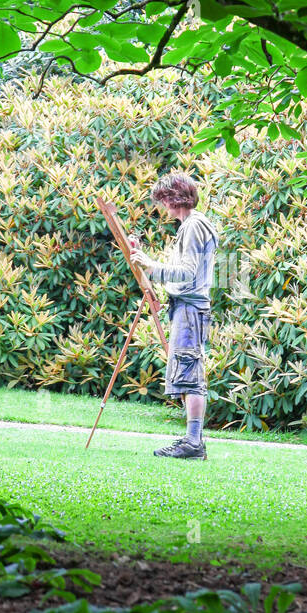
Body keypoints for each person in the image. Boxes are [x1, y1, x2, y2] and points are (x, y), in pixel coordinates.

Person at [130, 172, 219, 459]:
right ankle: (193, 441)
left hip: (191, 309)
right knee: (186, 371)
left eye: (164, 199)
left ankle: (193, 443)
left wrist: (152, 266)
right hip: (188, 306)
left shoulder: (194, 226)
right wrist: (146, 261)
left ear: (175, 197)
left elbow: (189, 273)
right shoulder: (192, 225)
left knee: (190, 374)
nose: (162, 206)